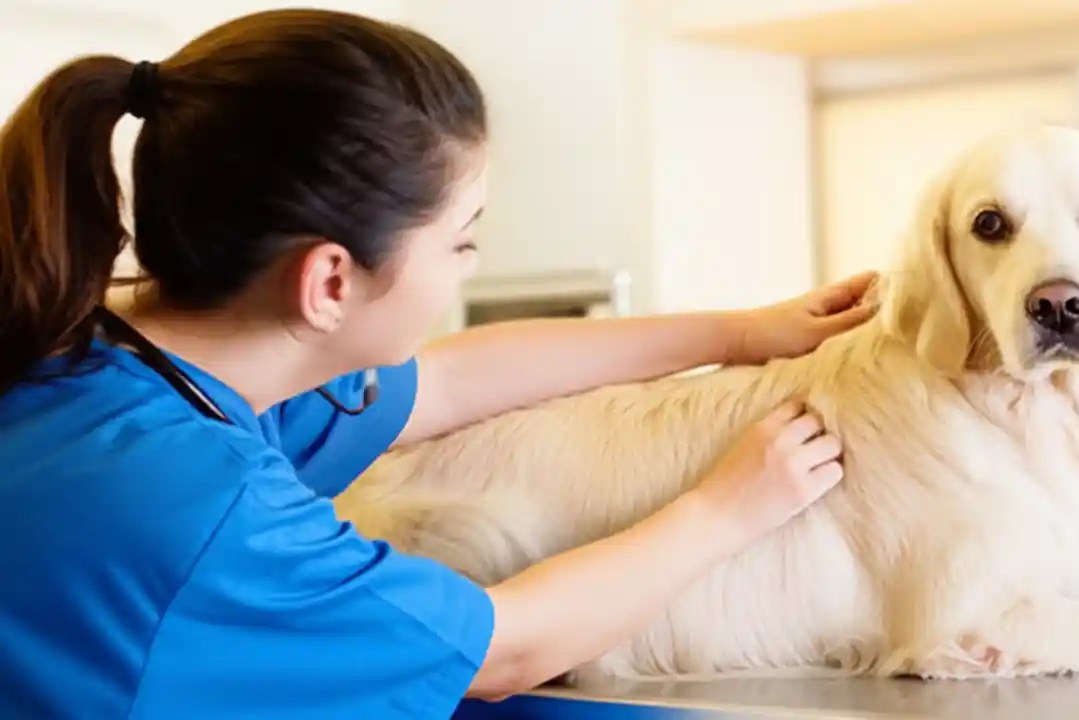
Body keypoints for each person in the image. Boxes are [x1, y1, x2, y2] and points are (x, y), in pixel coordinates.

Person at [0, 8, 878, 719]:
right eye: (461, 241)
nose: (470, 266)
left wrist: (736, 333)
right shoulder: (208, 503)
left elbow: (455, 380)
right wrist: (730, 509)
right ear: (330, 280)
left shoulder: (111, 368)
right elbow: (509, 647)